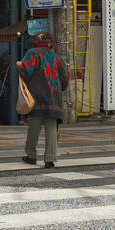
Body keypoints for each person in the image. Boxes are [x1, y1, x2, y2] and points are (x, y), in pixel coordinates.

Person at [17, 31, 70, 168]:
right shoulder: (57, 58)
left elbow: (25, 71)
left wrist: (20, 67)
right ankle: (50, 158)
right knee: (51, 128)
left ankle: (31, 155)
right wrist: (60, 88)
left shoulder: (32, 53)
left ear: (35, 41)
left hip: (37, 97)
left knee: (34, 126)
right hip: (54, 99)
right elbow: (65, 78)